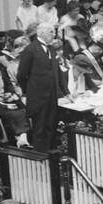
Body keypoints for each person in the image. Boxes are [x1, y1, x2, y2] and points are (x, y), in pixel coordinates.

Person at [16, 21, 62, 152]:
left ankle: (50, 154)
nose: (54, 34)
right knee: (39, 127)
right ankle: (40, 155)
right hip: (37, 96)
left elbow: (55, 71)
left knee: (50, 125)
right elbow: (21, 75)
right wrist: (29, 90)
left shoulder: (51, 49)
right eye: (51, 32)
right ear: (41, 32)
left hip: (51, 95)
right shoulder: (30, 50)